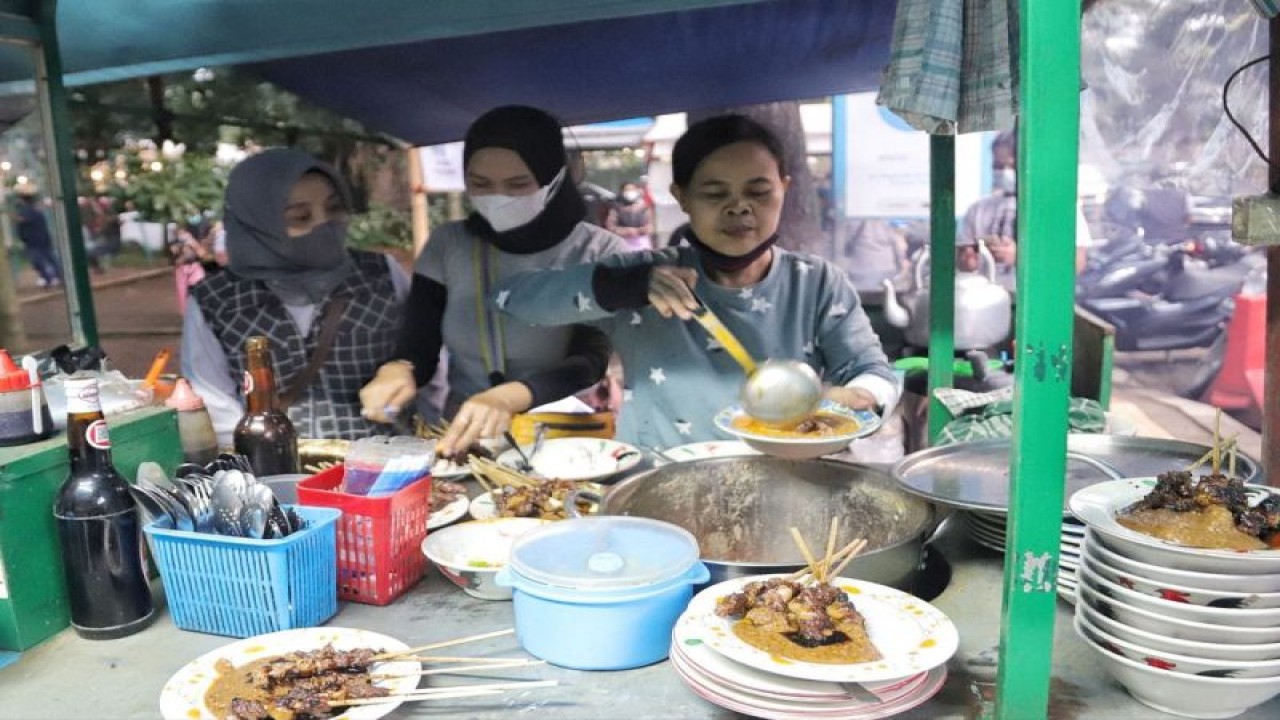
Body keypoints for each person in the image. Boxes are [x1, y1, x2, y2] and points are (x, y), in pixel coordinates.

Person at [496, 114, 898, 450]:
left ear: (784, 189)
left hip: (783, 485)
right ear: (682, 197)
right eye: (714, 193)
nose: (739, 207)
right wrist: (621, 287)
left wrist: (862, 395)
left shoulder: (816, 284)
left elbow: (872, 371)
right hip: (660, 492)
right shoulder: (639, 277)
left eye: (758, 191)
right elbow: (513, 298)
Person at [358, 105, 627, 456]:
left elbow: (590, 360)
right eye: (480, 184)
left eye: (517, 185)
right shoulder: (449, 245)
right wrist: (398, 369)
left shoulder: (599, 250)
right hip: (466, 436)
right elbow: (419, 345)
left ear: (555, 179)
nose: (498, 198)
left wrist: (506, 397)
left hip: (567, 439)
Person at [183, 148, 410, 445]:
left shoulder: (381, 274)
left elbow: (425, 364)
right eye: (301, 217)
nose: (323, 225)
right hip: (274, 473)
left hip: (386, 466)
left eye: (334, 208)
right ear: (258, 226)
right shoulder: (215, 300)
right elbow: (213, 404)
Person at [957, 130, 1091, 287]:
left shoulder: (1059, 208)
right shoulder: (978, 209)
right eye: (998, 166)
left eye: (1011, 166)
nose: (1004, 172)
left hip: (1037, 303)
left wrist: (1021, 258)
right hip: (988, 302)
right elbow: (962, 258)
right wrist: (969, 261)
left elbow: (1077, 263)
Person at [14, 191, 61, 288]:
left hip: (34, 241)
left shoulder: (28, 212)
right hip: (40, 239)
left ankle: (51, 278)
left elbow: (22, 222)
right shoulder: (35, 211)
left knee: (39, 261)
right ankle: (55, 277)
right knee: (48, 259)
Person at [604, 181, 656, 251]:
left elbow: (650, 226)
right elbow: (610, 227)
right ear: (622, 192)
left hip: (642, 245)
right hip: (622, 244)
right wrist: (626, 231)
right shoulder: (616, 208)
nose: (630, 192)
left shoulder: (644, 207)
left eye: (632, 190)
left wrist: (639, 231)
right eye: (627, 190)